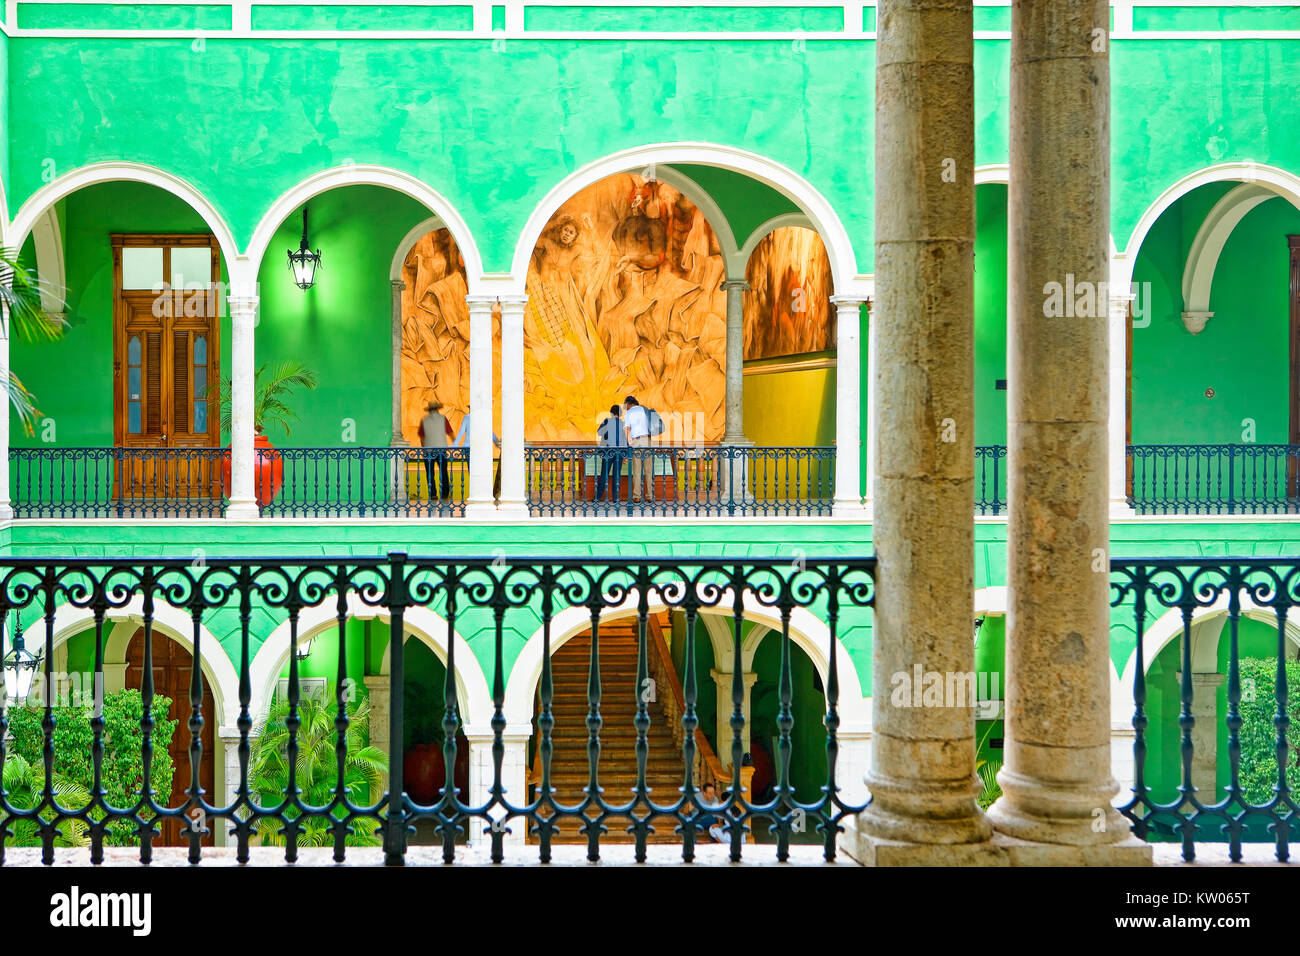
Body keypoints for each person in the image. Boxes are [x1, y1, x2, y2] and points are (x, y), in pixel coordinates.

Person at [453, 412, 502, 498]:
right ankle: (482, 495)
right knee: (482, 471)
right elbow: (490, 432)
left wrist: (455, 445)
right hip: (480, 448)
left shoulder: (467, 417)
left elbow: (461, 431)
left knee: (472, 472)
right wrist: (496, 442)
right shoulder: (483, 416)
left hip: (468, 448)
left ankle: (475, 495)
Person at [416, 401, 455, 500]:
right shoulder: (443, 419)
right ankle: (445, 494)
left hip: (428, 451)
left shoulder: (424, 420)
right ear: (438, 409)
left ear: (429, 410)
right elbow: (450, 434)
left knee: (430, 474)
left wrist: (424, 449)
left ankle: (433, 494)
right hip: (441, 450)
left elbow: (422, 438)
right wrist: (456, 445)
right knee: (443, 472)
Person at [622, 395, 654, 505]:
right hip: (647, 440)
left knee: (637, 470)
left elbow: (627, 429)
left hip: (636, 441)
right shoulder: (645, 409)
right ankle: (650, 496)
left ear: (629, 404)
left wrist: (629, 442)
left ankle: (637, 497)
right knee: (648, 470)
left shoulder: (629, 413)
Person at [594, 404, 627, 504]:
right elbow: (625, 439)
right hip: (620, 453)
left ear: (611, 413)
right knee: (617, 475)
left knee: (604, 474)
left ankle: (598, 498)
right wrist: (625, 455)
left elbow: (599, 432)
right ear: (620, 414)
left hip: (608, 452)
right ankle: (615, 498)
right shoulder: (623, 424)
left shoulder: (607, 421)